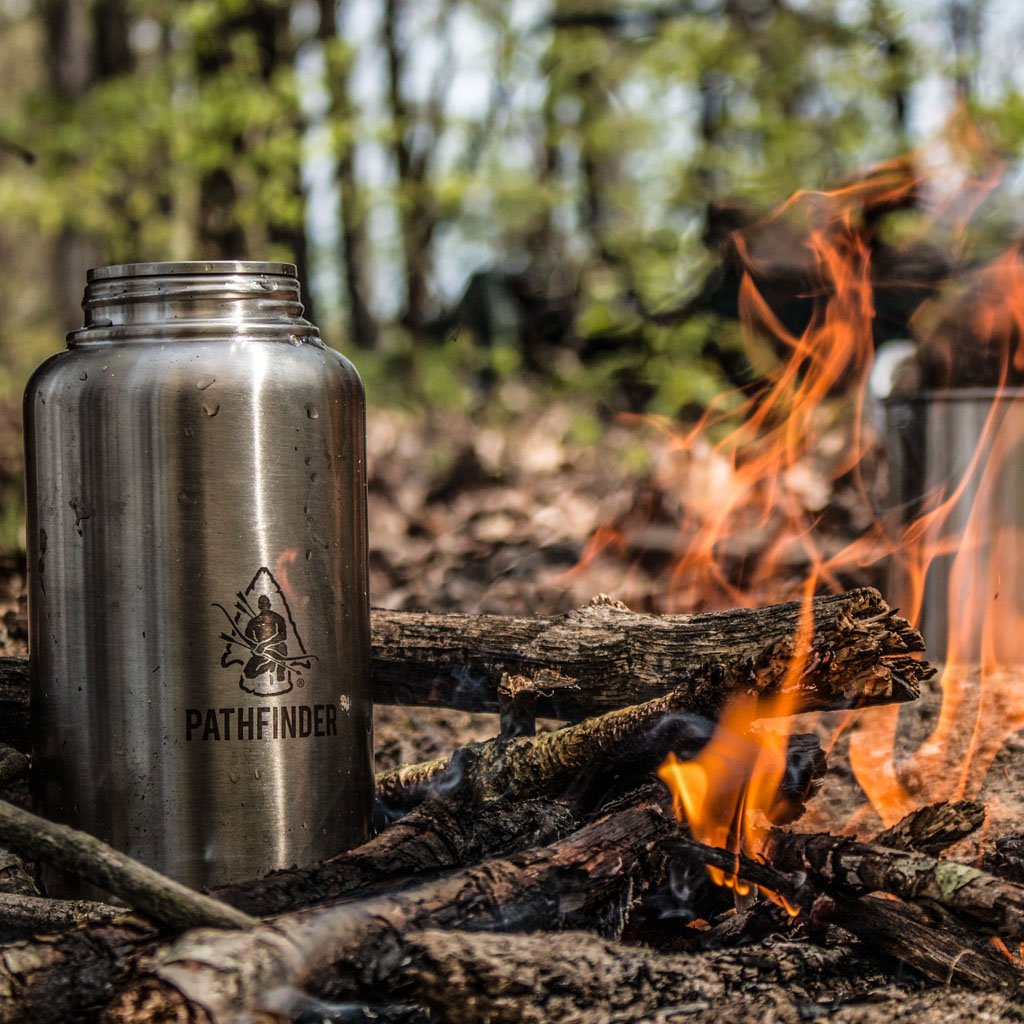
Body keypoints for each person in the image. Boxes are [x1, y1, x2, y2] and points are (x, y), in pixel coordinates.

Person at [243, 595, 288, 683]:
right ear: (259, 606)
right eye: (262, 605)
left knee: (283, 647)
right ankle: (267, 666)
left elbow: (283, 635)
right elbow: (248, 636)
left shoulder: (277, 618)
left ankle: (280, 671)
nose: (264, 607)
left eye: (266, 604)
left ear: (270, 605)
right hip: (261, 652)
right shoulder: (254, 621)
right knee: (248, 673)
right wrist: (255, 646)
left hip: (275, 649)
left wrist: (266, 644)